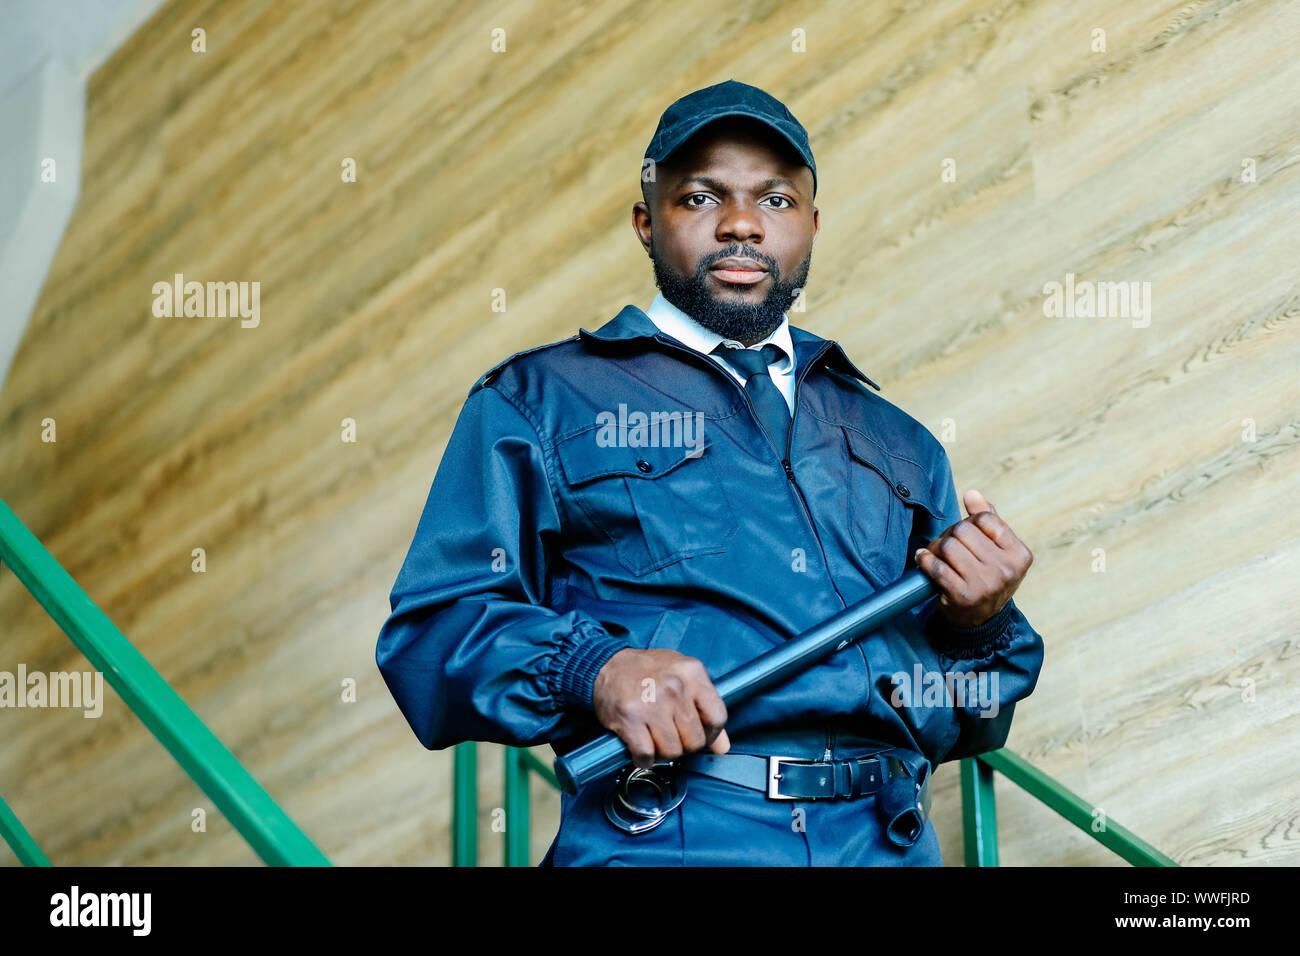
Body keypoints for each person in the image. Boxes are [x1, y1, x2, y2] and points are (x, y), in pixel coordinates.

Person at [375, 79, 1045, 866]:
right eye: (699, 197)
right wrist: (597, 669)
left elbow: (973, 718)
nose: (740, 224)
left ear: (813, 226)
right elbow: (431, 634)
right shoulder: (539, 401)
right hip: (677, 834)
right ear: (645, 222)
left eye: (776, 200)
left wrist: (984, 623)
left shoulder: (898, 441)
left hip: (890, 841)